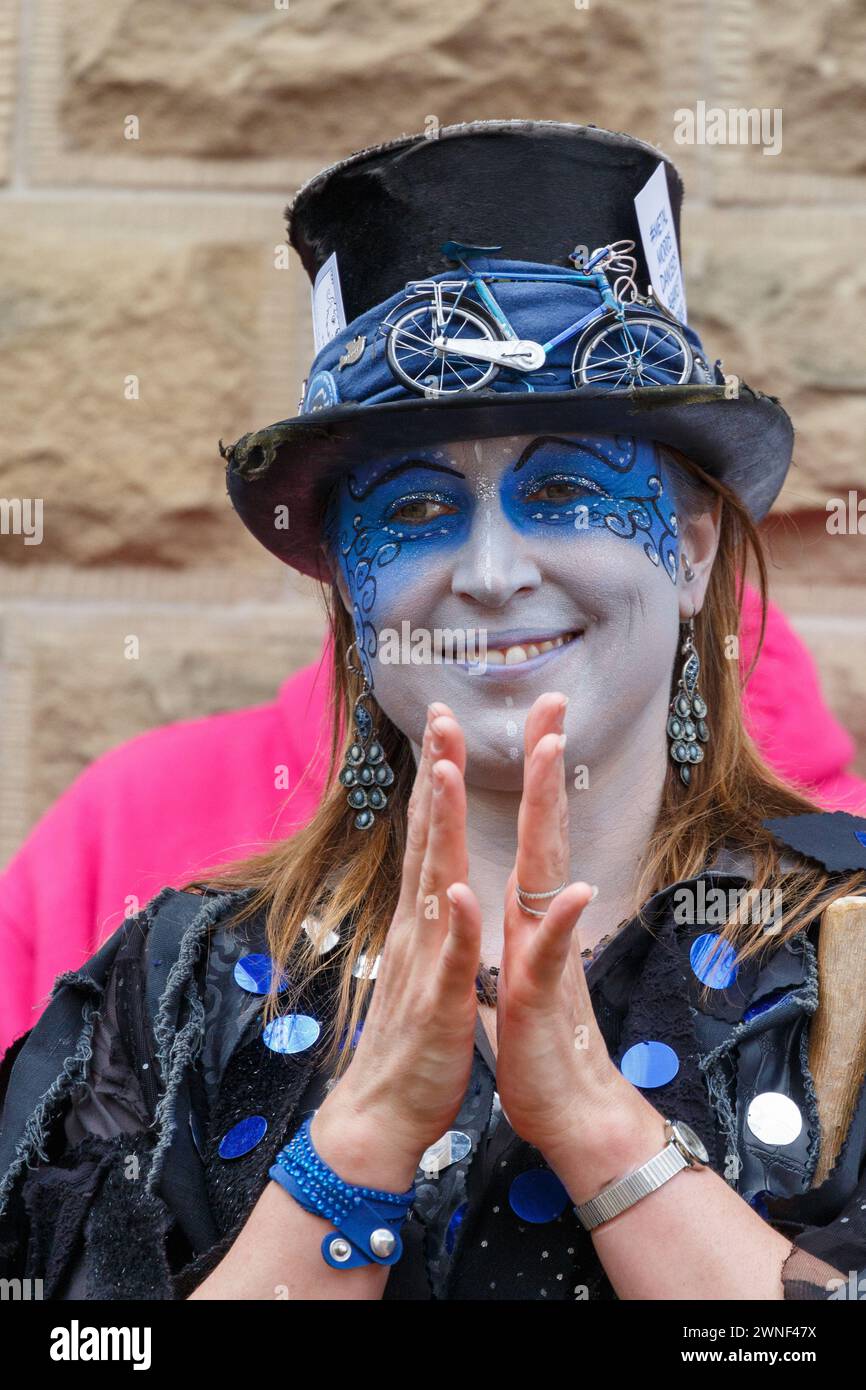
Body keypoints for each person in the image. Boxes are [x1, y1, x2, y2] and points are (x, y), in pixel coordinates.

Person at [2, 119, 866, 1302]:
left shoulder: (851, 959)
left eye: (563, 487)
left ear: (695, 545)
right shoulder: (162, 997)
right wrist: (350, 1157)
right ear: (348, 589)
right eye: (413, 511)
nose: (494, 569)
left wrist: (598, 1126)